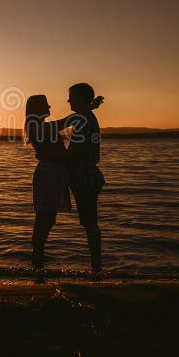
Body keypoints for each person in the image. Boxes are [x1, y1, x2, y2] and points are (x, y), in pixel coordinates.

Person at [24, 95, 75, 280]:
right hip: (48, 175)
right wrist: (84, 112)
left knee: (48, 218)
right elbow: (65, 122)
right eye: (46, 104)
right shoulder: (37, 126)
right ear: (38, 107)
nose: (50, 105)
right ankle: (37, 261)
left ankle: (38, 260)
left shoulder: (41, 126)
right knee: (44, 217)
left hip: (52, 173)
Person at [65, 83, 106, 274]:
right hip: (87, 176)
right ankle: (96, 266)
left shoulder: (83, 120)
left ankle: (96, 268)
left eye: (72, 96)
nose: (68, 100)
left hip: (85, 177)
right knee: (89, 223)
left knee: (89, 223)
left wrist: (52, 156)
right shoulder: (87, 117)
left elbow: (78, 150)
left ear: (81, 97)